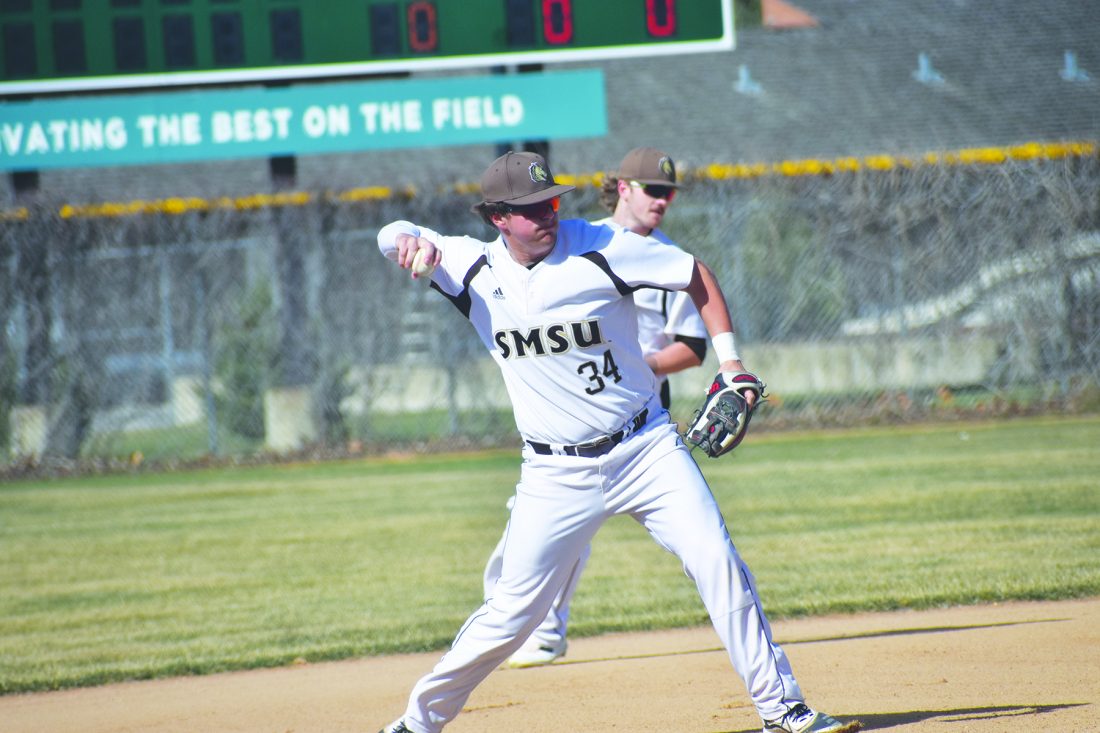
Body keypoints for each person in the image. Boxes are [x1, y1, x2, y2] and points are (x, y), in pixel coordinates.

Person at [375, 150, 861, 733]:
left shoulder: (601, 244)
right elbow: (390, 234)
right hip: (555, 473)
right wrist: (407, 241)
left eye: (551, 199)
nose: (548, 213)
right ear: (499, 217)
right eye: (531, 208)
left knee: (716, 561)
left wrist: (731, 364)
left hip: (645, 449)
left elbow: (694, 273)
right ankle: (417, 723)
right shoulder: (470, 264)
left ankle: (783, 711)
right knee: (511, 615)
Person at [482, 147, 708, 668]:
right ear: (623, 188)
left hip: (636, 410)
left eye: (670, 193)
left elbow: (692, 350)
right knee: (549, 530)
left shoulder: (665, 256)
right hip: (567, 412)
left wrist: (639, 363)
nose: (663, 201)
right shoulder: (579, 241)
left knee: (696, 538)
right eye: (654, 189)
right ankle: (541, 630)